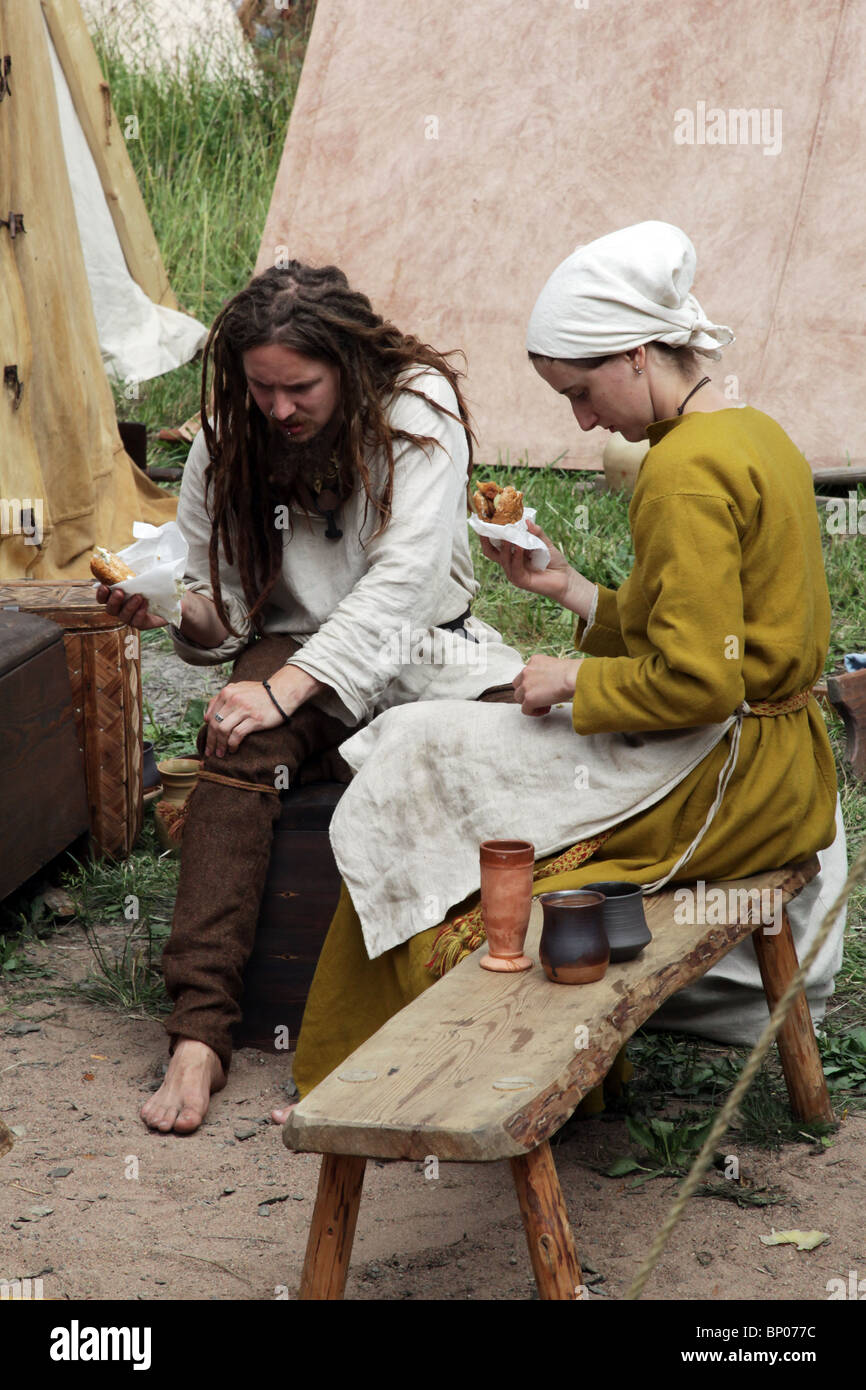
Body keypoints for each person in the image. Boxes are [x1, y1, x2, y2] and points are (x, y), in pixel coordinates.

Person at [278, 220, 844, 1120]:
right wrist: (573, 589)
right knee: (427, 749)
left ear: (632, 353)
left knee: (415, 770)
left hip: (728, 787)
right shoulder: (754, 435)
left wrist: (573, 683)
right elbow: (716, 640)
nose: (583, 420)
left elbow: (702, 683)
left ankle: (374, 1077)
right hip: (781, 767)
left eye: (581, 392)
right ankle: (402, 1062)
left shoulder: (683, 475)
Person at [96, 262, 524, 1133]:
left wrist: (286, 690)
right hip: (293, 649)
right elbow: (215, 618)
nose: (280, 409)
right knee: (233, 737)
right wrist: (171, 609)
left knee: (514, 746)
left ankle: (476, 1005)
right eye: (262, 388)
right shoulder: (230, 440)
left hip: (421, 647)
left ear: (349, 364)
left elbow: (402, 585)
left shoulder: (418, 411)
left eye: (300, 387)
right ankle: (200, 1031)